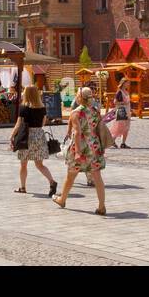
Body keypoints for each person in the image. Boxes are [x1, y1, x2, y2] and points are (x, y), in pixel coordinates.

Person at [52, 87, 110, 215]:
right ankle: (101, 206)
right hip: (94, 145)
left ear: (79, 98)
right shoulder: (95, 111)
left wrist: (78, 152)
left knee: (71, 175)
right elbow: (97, 129)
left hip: (81, 146)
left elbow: (78, 132)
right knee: (97, 176)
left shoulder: (76, 113)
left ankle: (62, 199)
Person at [11, 85, 57, 197]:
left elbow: (18, 124)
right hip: (39, 135)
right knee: (40, 164)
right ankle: (52, 181)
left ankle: (23, 187)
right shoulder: (42, 107)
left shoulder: (24, 108)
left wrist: (12, 136)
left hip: (26, 137)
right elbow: (43, 123)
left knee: (23, 164)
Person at [111, 79, 132, 148]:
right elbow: (115, 102)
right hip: (121, 111)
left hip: (127, 111)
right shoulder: (119, 92)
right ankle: (112, 141)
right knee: (119, 127)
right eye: (127, 83)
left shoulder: (126, 91)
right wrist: (123, 103)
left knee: (126, 128)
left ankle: (123, 143)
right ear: (123, 83)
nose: (128, 84)